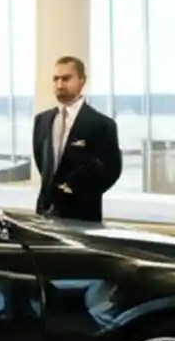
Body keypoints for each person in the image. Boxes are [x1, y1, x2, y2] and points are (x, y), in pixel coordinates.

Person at [32, 56, 122, 223]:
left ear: (82, 80)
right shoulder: (42, 121)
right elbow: (43, 163)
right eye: (56, 79)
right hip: (45, 212)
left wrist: (74, 190)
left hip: (83, 215)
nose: (59, 84)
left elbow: (111, 171)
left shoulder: (101, 124)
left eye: (66, 78)